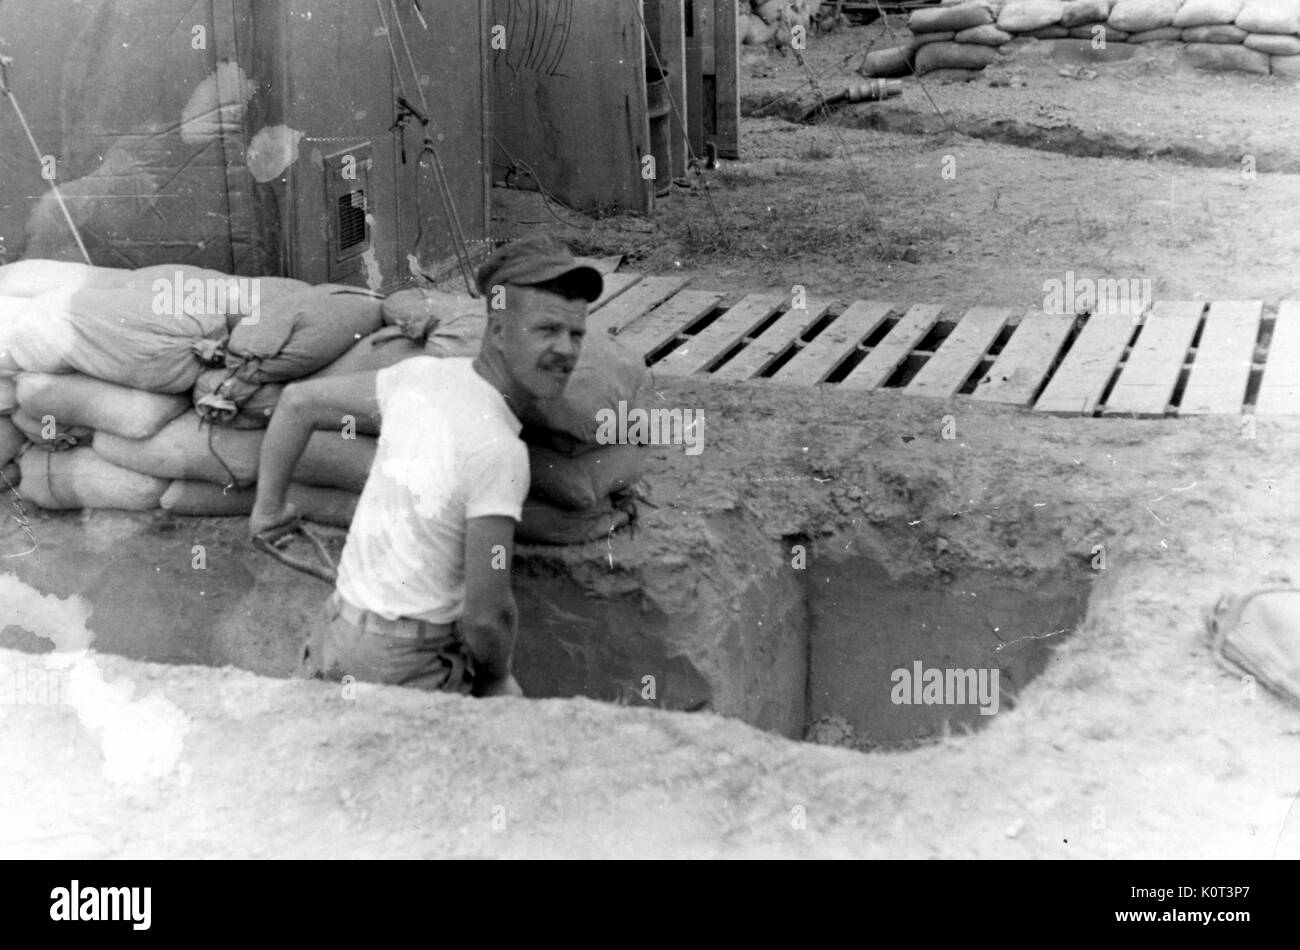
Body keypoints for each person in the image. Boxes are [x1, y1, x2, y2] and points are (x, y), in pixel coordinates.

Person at [248, 235, 602, 698]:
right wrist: (496, 679)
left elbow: (296, 404)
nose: (567, 350)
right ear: (497, 333)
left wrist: (268, 511)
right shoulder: (499, 450)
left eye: (576, 334)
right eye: (547, 330)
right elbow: (485, 616)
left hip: (337, 633)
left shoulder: (422, 376)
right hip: (405, 666)